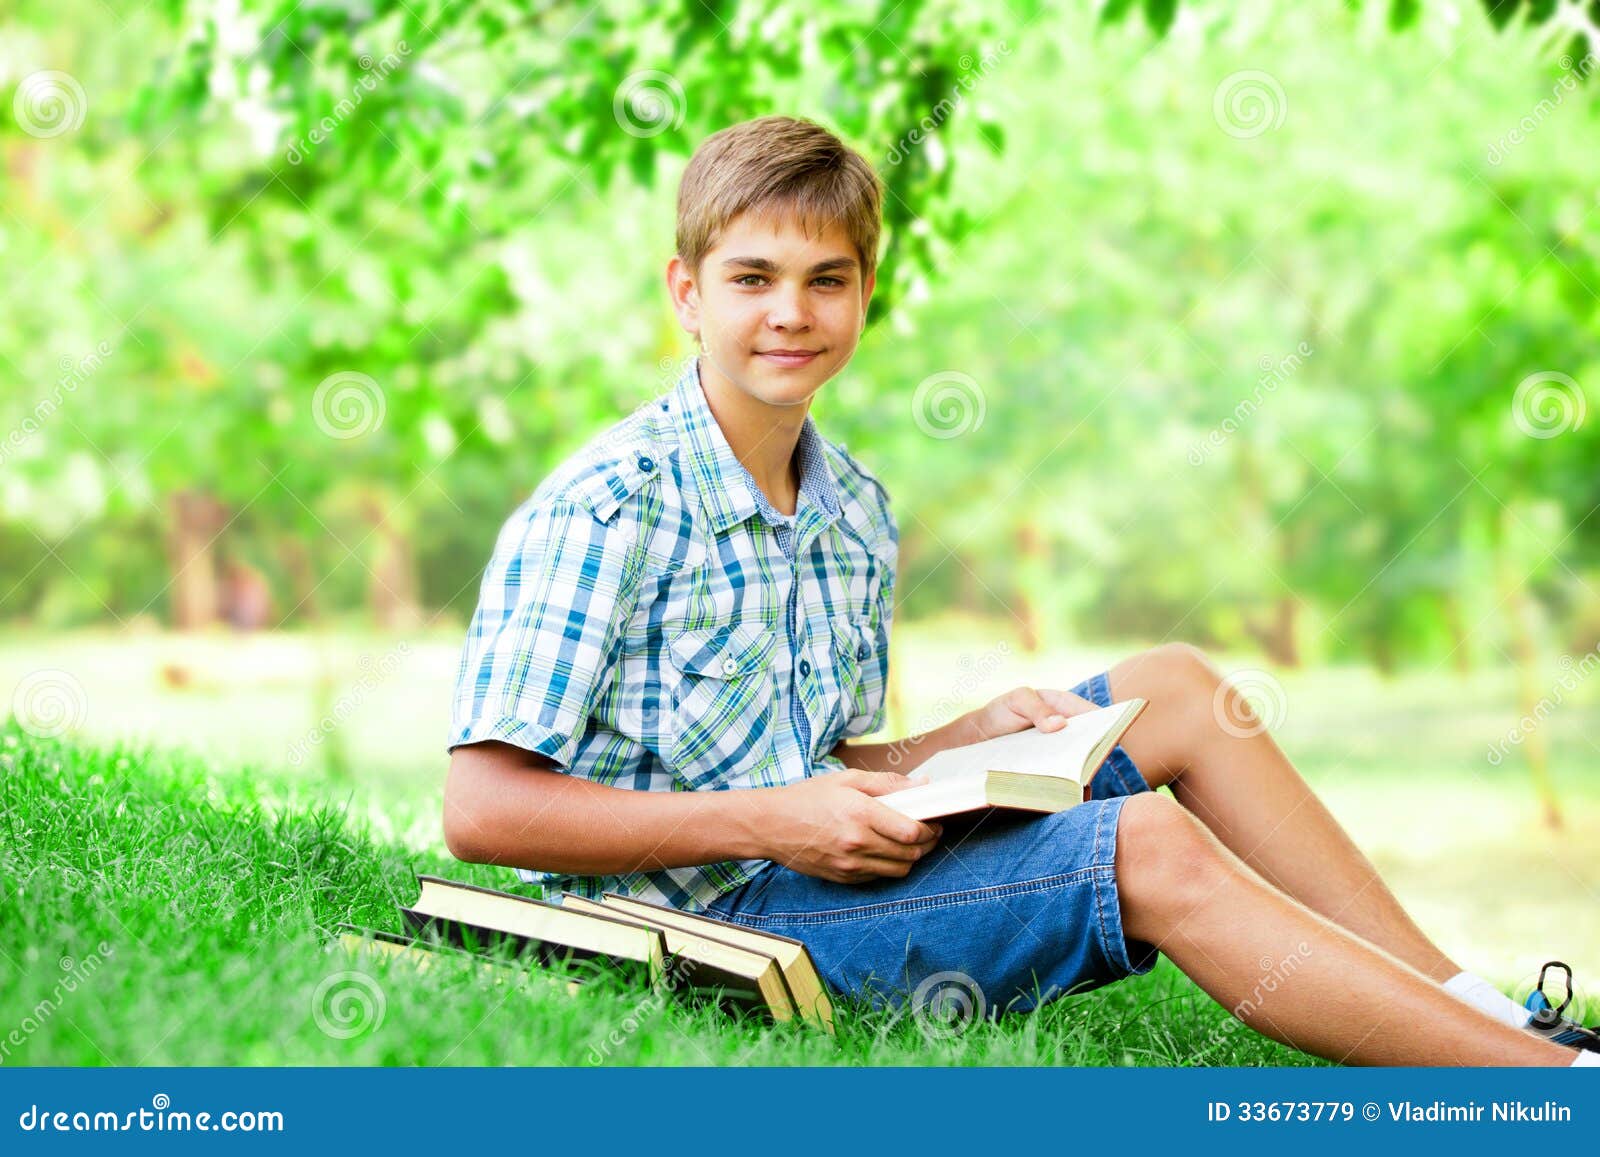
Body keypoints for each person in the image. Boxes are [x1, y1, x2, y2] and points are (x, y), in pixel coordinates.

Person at [442, 115, 1597, 1066]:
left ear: (864, 295)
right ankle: (1548, 1090)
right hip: (710, 929)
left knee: (1177, 685)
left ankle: (1494, 1017)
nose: (789, 312)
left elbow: (820, 765)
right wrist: (768, 820)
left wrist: (961, 737)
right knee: (1140, 841)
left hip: (807, 860)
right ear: (687, 293)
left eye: (823, 280)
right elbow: (481, 811)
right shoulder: (606, 508)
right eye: (752, 278)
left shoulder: (849, 506)